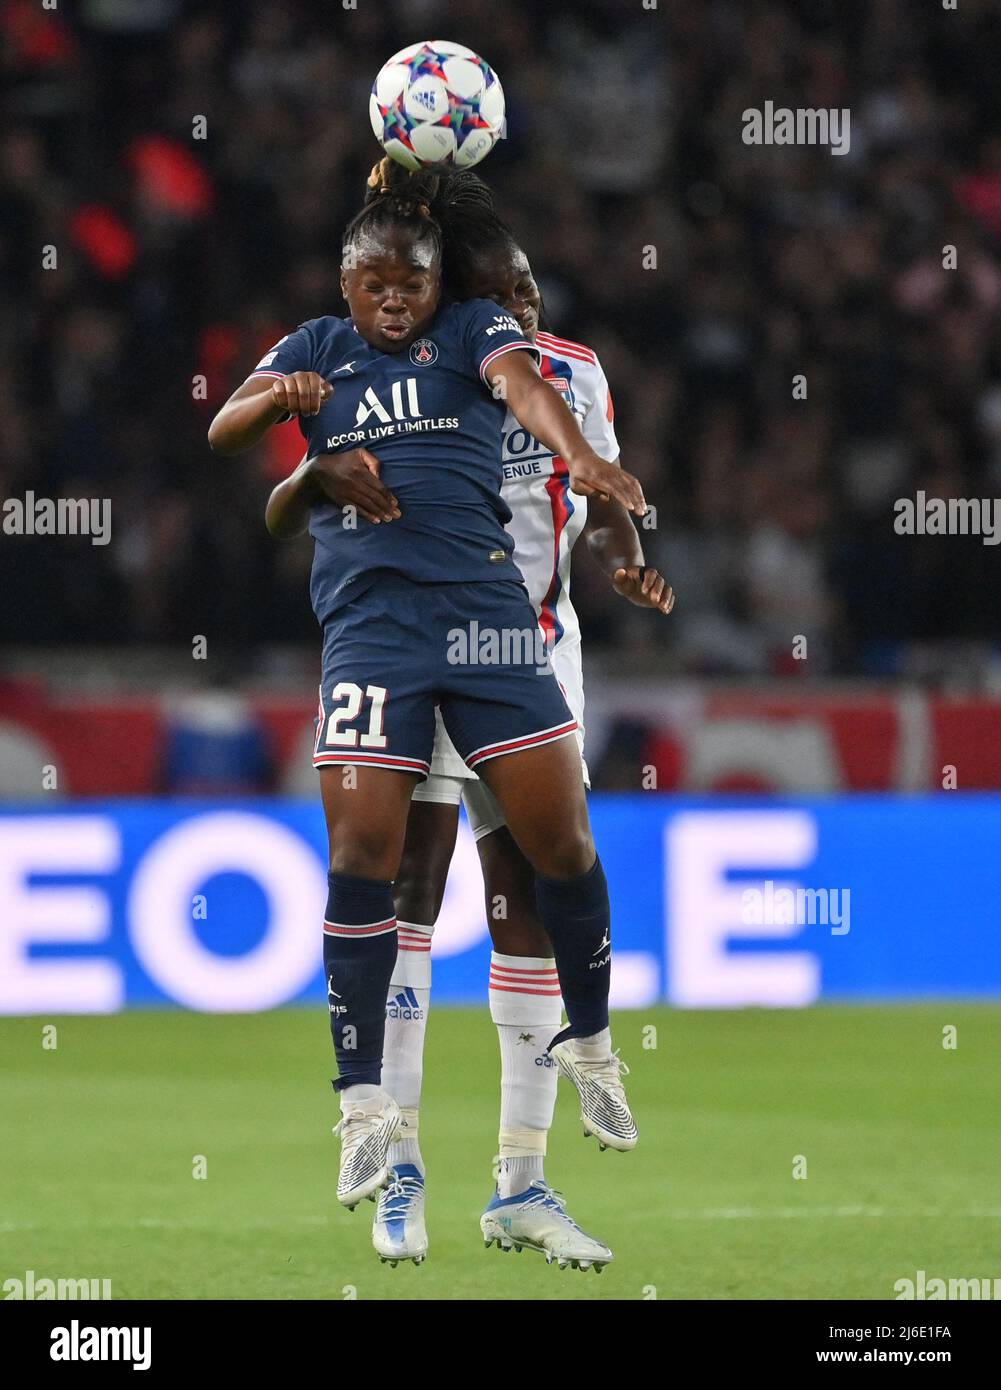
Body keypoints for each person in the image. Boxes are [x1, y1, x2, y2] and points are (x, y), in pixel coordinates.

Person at [208, 166, 645, 1267]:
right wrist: (308, 465)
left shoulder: (544, 365)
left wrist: (610, 514)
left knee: (536, 887)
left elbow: (586, 493)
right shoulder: (338, 346)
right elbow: (249, 463)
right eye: (506, 293)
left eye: (531, 294)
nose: (522, 309)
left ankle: (523, 1176)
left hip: (521, 639)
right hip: (387, 636)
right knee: (402, 878)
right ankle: (391, 1155)